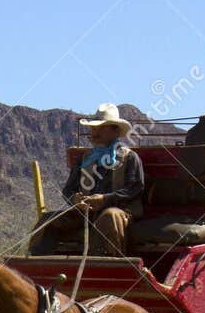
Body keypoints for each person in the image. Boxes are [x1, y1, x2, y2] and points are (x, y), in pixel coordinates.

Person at [30, 103, 145, 256]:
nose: (94, 132)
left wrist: (105, 199)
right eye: (93, 128)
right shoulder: (85, 158)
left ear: (115, 130)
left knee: (109, 217)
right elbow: (69, 189)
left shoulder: (129, 157)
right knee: (49, 219)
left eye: (100, 128)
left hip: (120, 211)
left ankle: (105, 263)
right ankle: (38, 262)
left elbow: (135, 188)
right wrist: (75, 199)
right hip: (85, 213)